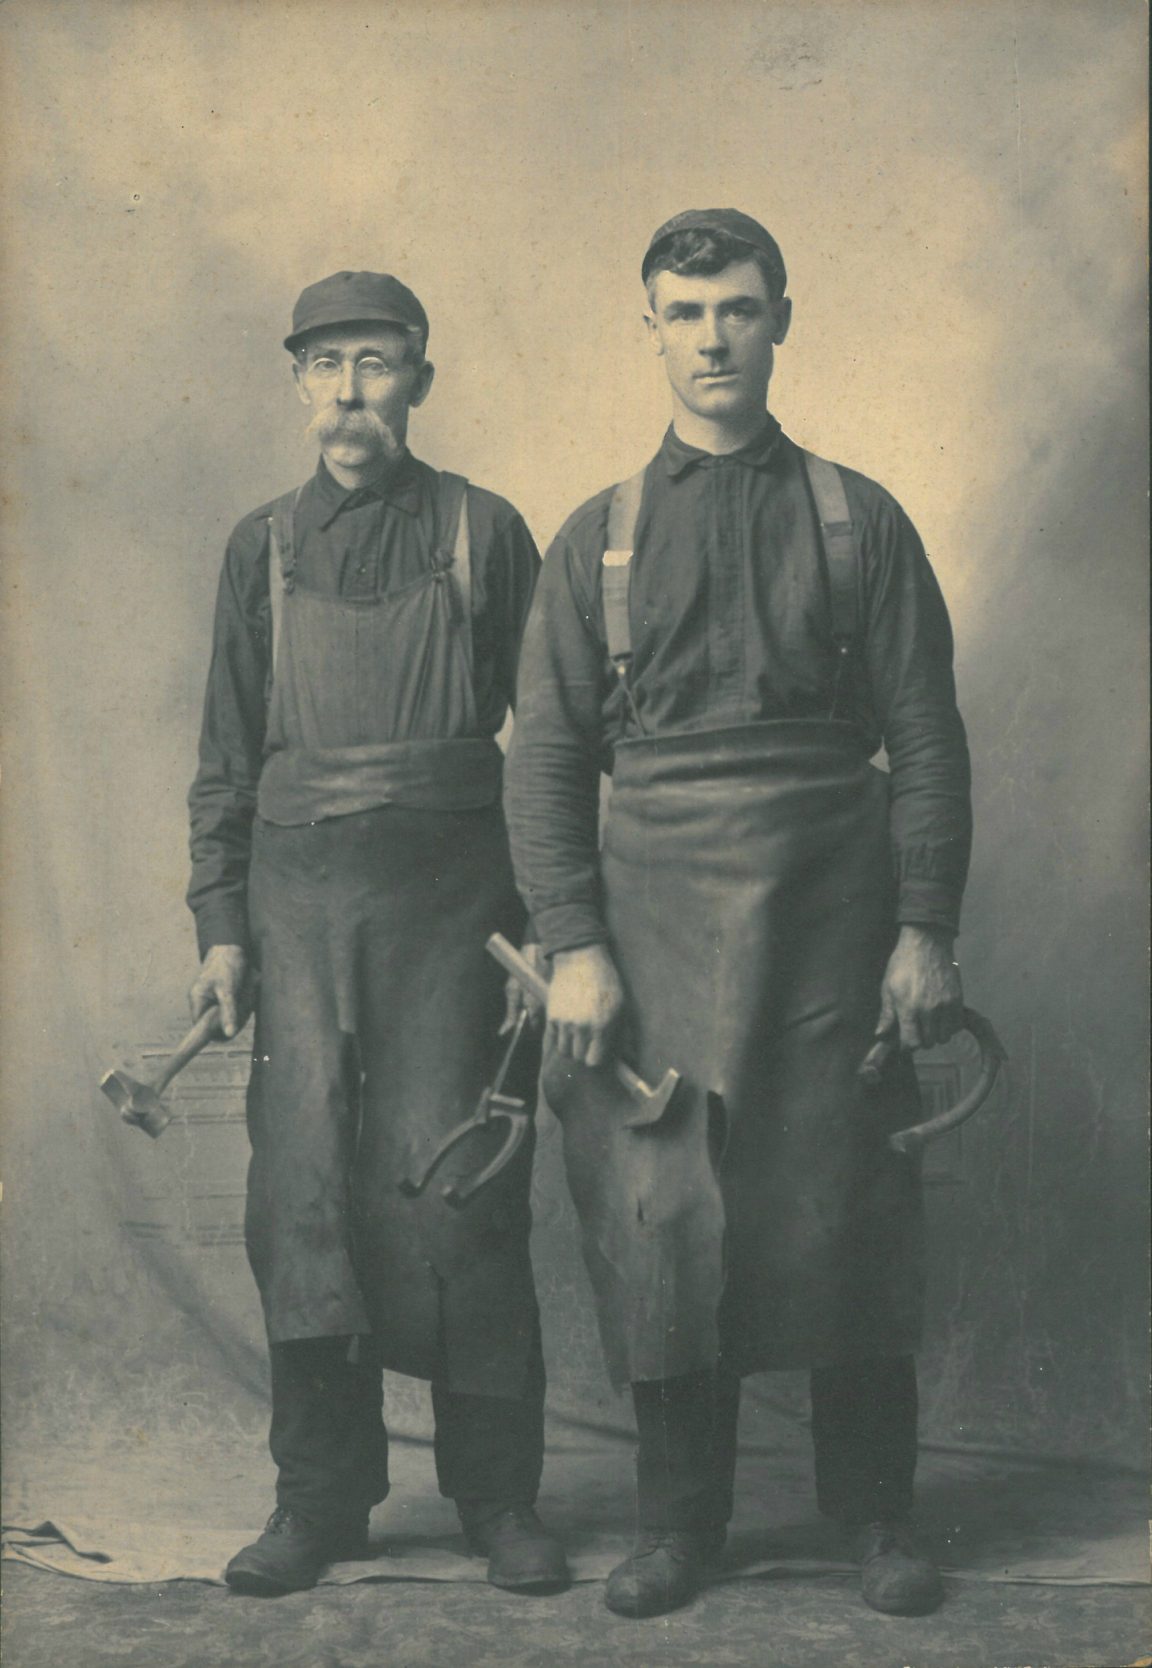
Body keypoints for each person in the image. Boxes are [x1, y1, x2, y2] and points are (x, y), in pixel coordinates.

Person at [504, 209, 972, 1619]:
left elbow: (930, 741)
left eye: (741, 311)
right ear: (647, 327)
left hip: (835, 922)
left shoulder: (860, 519)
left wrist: (925, 926)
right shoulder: (597, 540)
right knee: (663, 1218)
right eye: (688, 313)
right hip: (645, 937)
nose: (716, 340)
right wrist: (574, 947)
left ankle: (875, 1519)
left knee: (846, 1206)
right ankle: (678, 1524)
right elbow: (543, 761)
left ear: (781, 318)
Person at [186, 269, 566, 1598]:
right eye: (327, 365)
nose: (351, 395)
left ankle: (499, 1500)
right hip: (294, 924)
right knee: (305, 1203)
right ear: (299, 383)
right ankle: (323, 1500)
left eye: (379, 363)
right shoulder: (262, 550)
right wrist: (219, 926)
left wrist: (552, 928)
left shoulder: (487, 532)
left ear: (421, 377)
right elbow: (228, 760)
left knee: (460, 1193)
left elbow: (554, 749)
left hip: (460, 918)